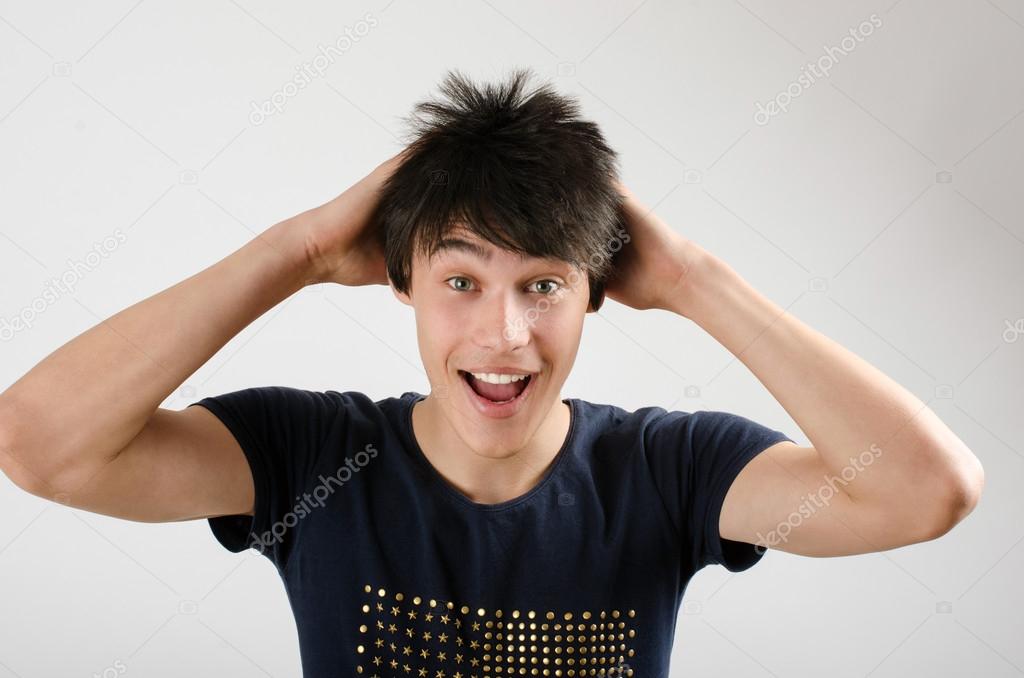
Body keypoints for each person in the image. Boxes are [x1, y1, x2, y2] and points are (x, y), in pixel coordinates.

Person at [0, 68, 984, 678]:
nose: (504, 333)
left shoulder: (667, 471)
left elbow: (927, 491)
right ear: (403, 285)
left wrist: (692, 279)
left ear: (599, 290)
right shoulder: (311, 461)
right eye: (461, 279)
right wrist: (294, 252)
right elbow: (39, 446)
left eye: (544, 286)